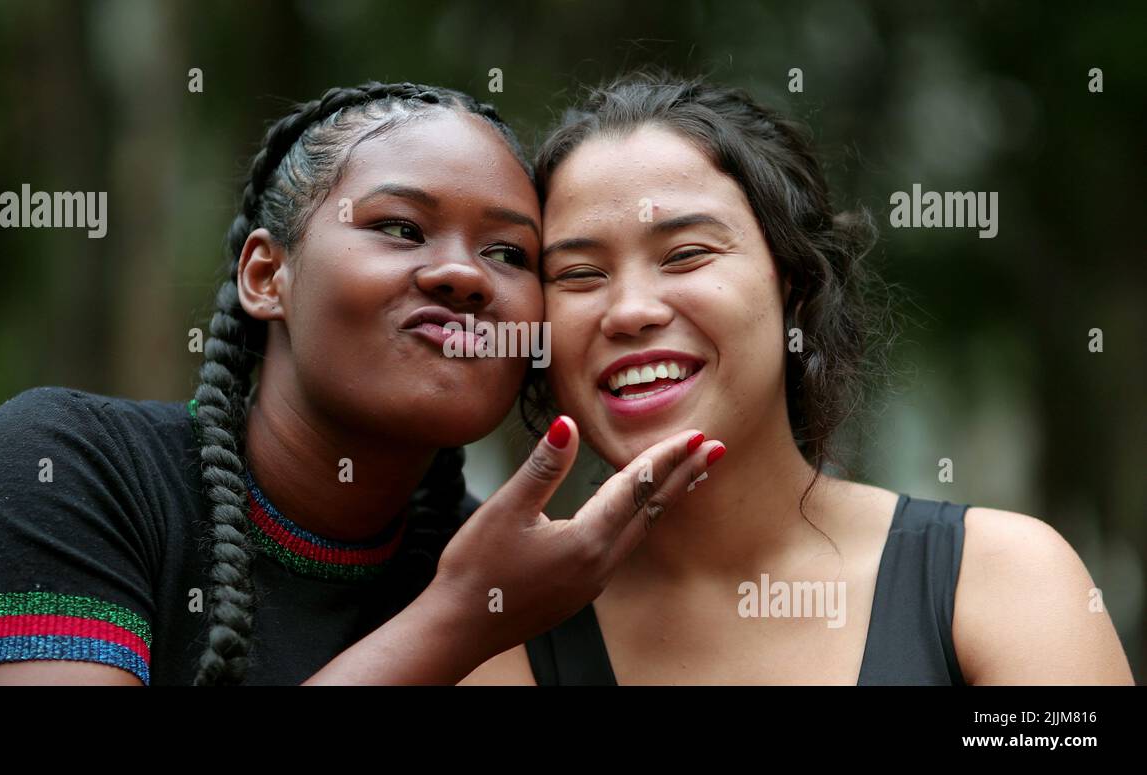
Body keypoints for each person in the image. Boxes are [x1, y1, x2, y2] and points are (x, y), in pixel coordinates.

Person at [0, 81, 723, 686]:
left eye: (508, 253)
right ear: (268, 275)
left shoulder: (516, 578)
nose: (463, 276)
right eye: (400, 228)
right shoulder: (63, 468)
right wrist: (458, 619)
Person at [461, 73, 1135, 685]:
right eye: (579, 275)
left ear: (792, 280)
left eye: (687, 254)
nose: (631, 310)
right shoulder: (504, 630)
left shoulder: (1000, 581)